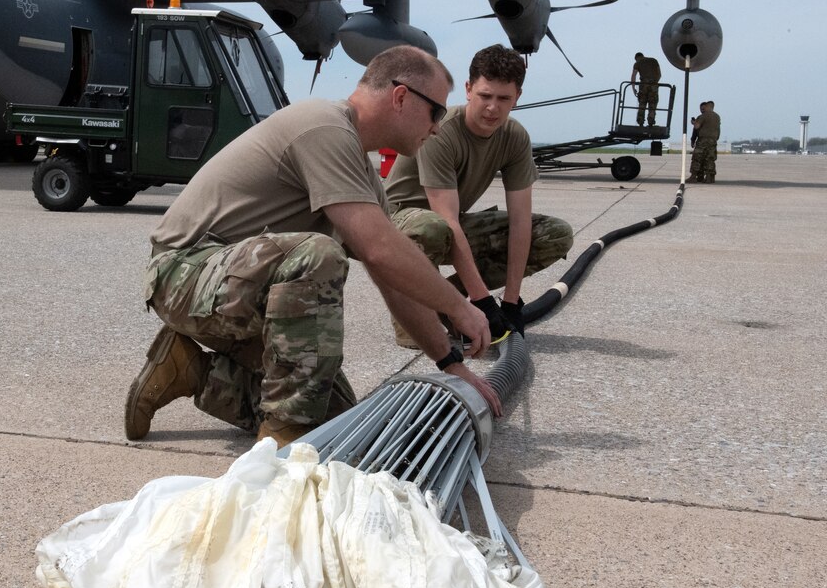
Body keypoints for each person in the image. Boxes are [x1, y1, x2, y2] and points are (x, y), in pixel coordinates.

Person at [124, 45, 502, 450]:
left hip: (235, 289)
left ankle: (189, 370)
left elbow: (391, 277)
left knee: (336, 415)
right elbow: (379, 249)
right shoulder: (324, 127)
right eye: (437, 113)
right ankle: (286, 436)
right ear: (401, 97)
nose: (438, 127)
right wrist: (461, 307)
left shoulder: (357, 162)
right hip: (182, 275)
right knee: (319, 257)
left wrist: (450, 363)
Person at [384, 45, 574, 342]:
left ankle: (446, 303)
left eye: (504, 99)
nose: (493, 108)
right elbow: (447, 221)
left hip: (446, 227)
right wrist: (483, 301)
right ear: (469, 89)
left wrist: (511, 302)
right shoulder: (441, 131)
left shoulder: (514, 137)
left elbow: (520, 221)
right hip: (397, 229)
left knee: (554, 234)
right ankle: (415, 315)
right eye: (485, 96)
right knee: (431, 227)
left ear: (517, 98)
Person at [690, 100, 721, 183]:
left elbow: (696, 127)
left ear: (707, 106)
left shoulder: (703, 116)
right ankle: (709, 177)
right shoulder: (717, 116)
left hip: (703, 140)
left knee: (697, 158)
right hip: (713, 140)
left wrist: (693, 122)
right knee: (710, 159)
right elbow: (718, 130)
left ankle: (693, 176)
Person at [631, 51, 663, 127]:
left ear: (637, 58)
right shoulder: (654, 60)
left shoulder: (638, 63)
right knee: (652, 104)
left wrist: (633, 88)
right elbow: (659, 74)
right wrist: (654, 83)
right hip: (654, 85)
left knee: (642, 104)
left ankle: (640, 122)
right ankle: (651, 122)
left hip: (643, 86)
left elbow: (633, 76)